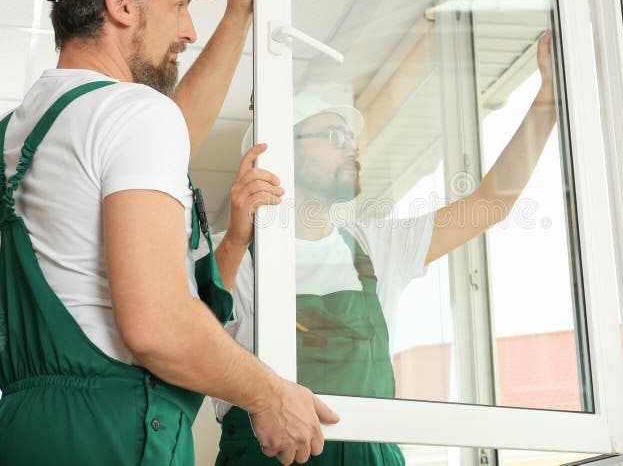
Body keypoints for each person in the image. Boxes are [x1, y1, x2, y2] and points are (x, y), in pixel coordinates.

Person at [0, 0, 337, 465]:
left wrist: (239, 14)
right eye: (179, 5)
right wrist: (271, 394)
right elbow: (156, 324)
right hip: (112, 436)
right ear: (121, 4)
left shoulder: (21, 130)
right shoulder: (133, 114)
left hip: (26, 429)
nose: (189, 30)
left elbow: (172, 131)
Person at [206, 32, 556, 465]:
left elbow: (491, 203)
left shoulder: (375, 246)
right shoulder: (228, 254)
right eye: (334, 137)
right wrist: (236, 240)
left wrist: (549, 95)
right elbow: (187, 337)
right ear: (279, 155)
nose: (353, 148)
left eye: (352, 140)